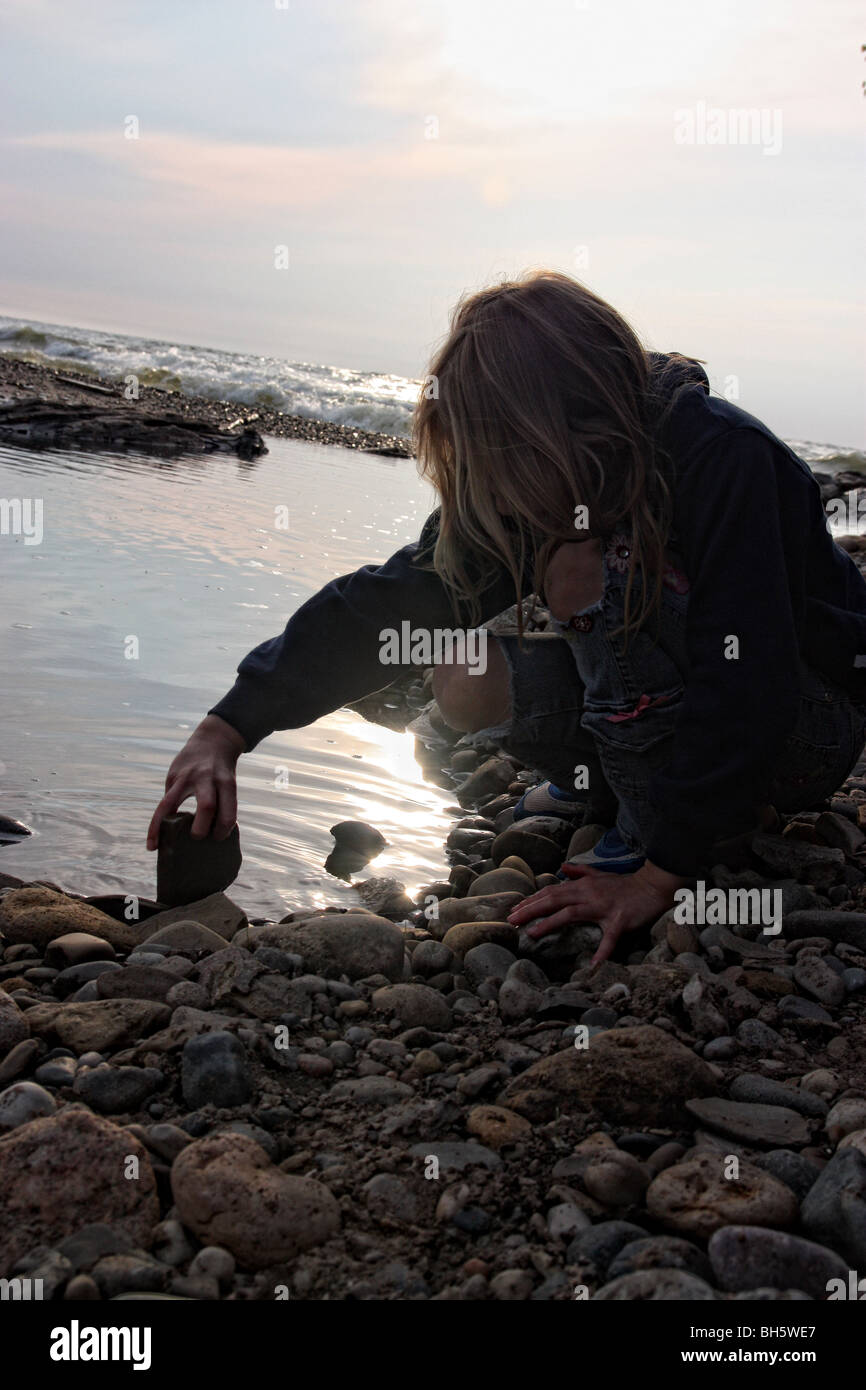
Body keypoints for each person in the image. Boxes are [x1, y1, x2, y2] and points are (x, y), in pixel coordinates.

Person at [146, 271, 866, 963]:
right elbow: (394, 598)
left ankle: (647, 824)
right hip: (699, 712)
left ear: (557, 422)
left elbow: (751, 678)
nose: (503, 482)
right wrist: (232, 724)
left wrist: (660, 875)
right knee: (464, 669)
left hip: (805, 730)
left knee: (584, 568)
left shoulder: (723, 457)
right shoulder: (549, 476)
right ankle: (609, 784)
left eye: (507, 455)